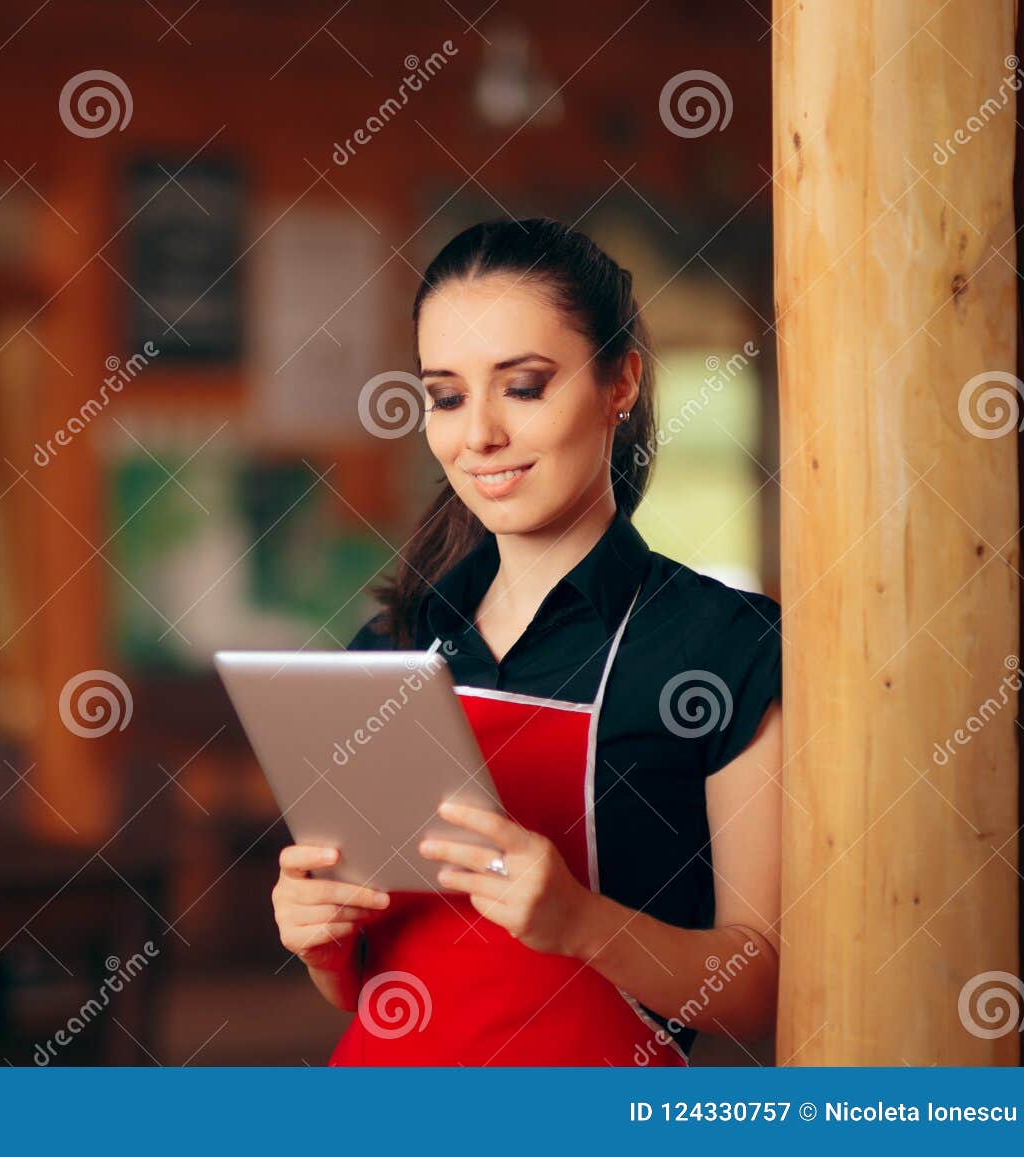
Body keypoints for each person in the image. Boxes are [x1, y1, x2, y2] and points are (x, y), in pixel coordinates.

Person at [270, 218, 783, 1066]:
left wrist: (579, 920)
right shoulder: (387, 649)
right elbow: (372, 983)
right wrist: (321, 940)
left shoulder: (725, 646)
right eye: (447, 395)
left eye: (525, 385)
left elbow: (757, 987)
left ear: (621, 384)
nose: (478, 436)